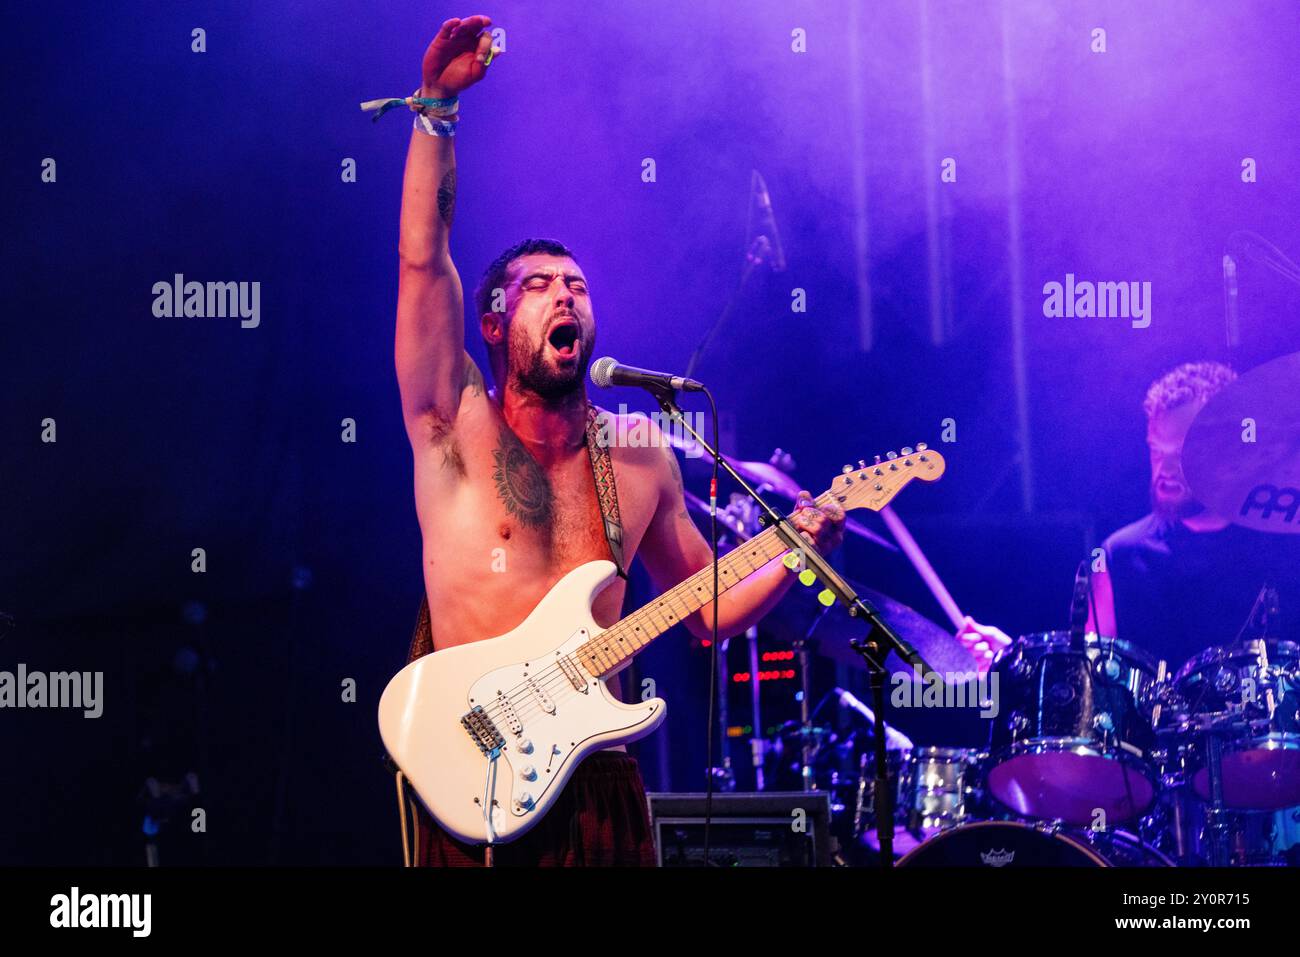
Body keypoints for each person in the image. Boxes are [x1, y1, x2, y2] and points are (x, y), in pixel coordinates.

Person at [392, 14, 845, 866]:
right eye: (539, 288)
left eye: (578, 286)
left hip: (598, 777)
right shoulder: (452, 422)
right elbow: (423, 262)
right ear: (493, 322)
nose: (566, 298)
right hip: (474, 774)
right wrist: (437, 113)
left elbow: (708, 610)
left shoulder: (639, 454)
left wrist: (797, 554)